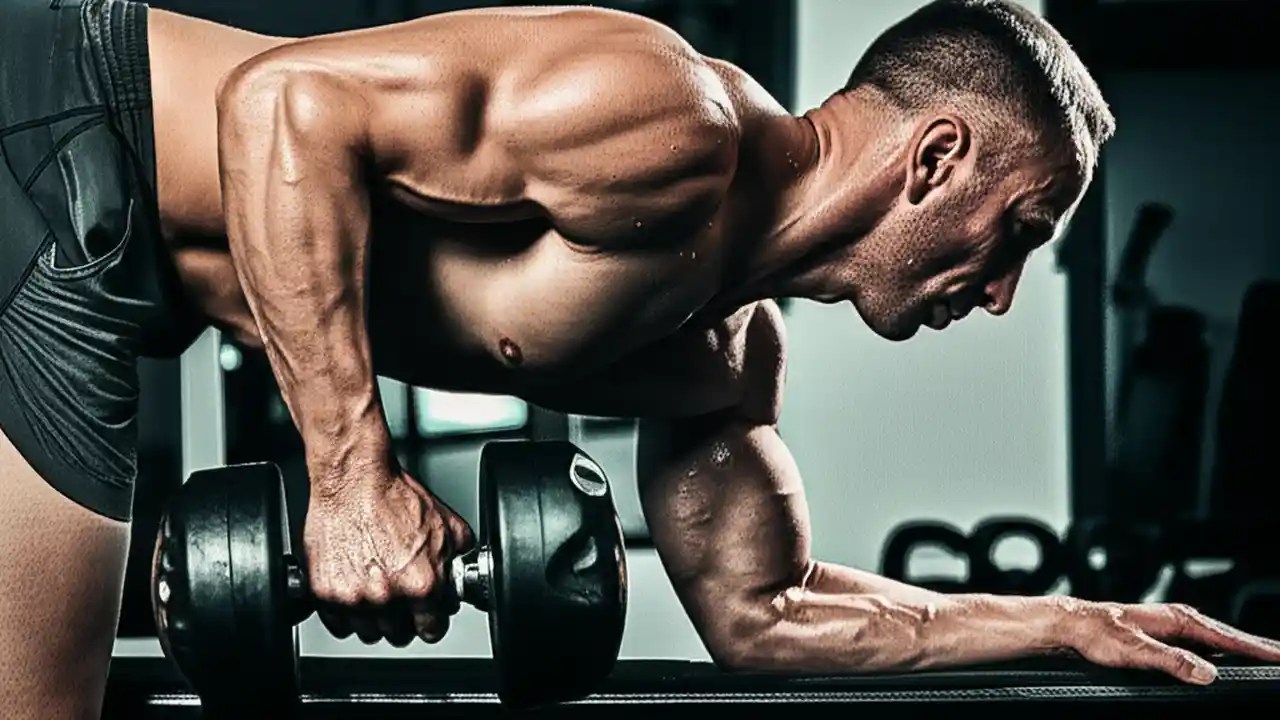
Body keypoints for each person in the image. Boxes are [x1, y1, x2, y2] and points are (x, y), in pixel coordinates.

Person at [1, 0, 1277, 716]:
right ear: (936, 160)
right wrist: (350, 478)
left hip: (102, 296)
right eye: (1013, 237)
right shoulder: (667, 117)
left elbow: (767, 617)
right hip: (54, 116)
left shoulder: (720, 356)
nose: (998, 294)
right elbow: (284, 105)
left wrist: (1062, 623)